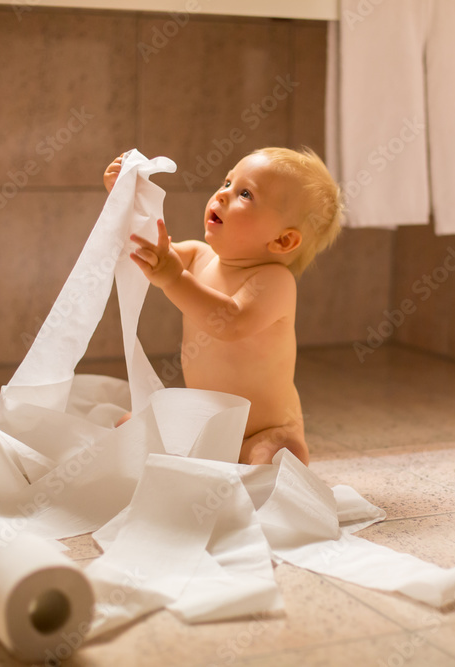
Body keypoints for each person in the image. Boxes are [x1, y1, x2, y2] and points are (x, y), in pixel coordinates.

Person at [104, 147, 343, 465]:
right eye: (227, 182)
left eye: (245, 193)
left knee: (271, 456)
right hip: (208, 423)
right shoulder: (196, 255)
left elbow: (230, 322)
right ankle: (204, 452)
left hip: (262, 430)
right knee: (131, 426)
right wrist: (127, 200)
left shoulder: (274, 281)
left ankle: (266, 455)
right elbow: (147, 248)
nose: (223, 194)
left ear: (283, 241)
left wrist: (174, 278)